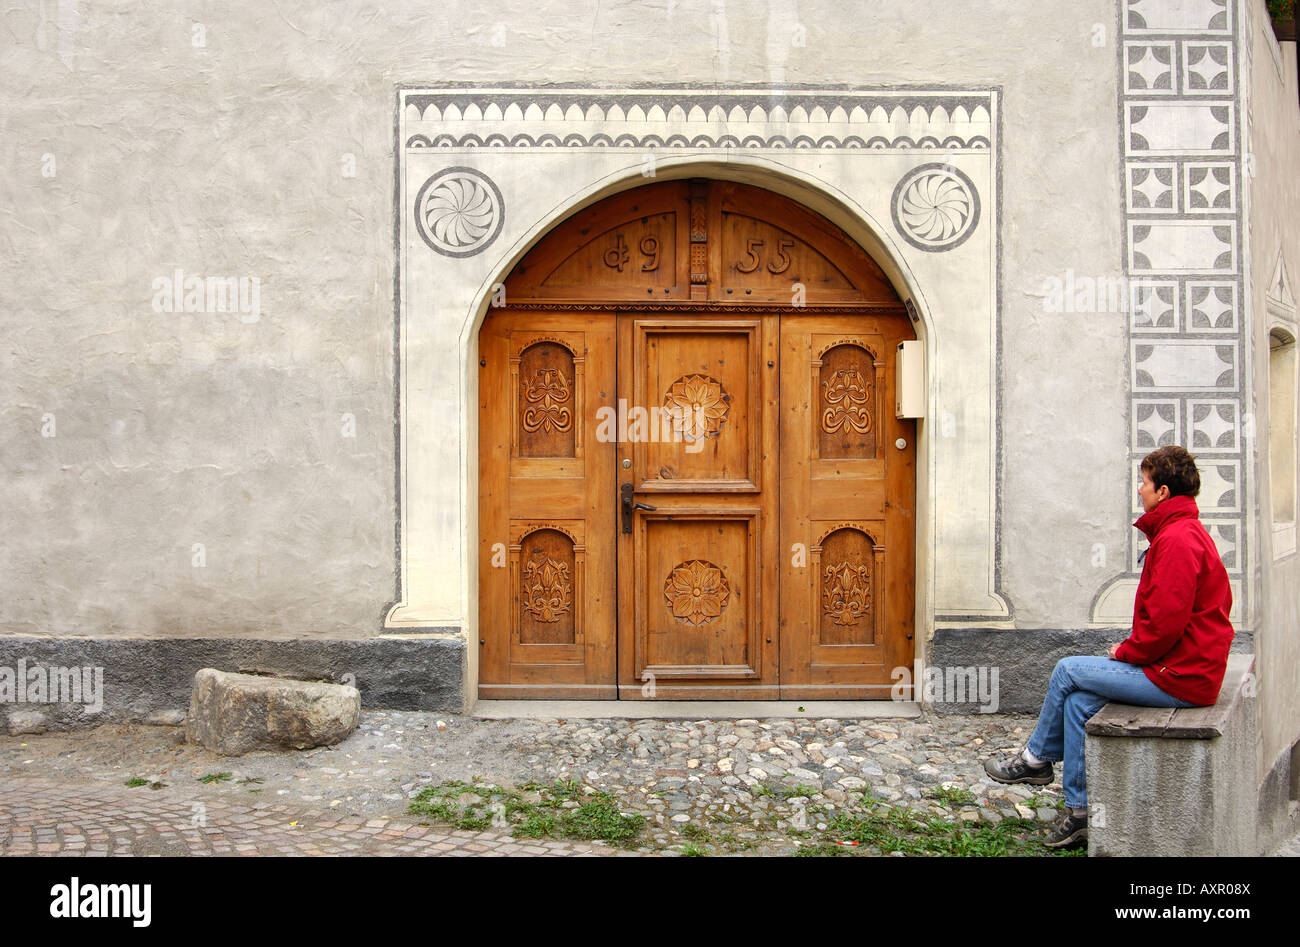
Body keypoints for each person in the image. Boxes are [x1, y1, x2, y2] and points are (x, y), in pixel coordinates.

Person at [982, 445, 1235, 848]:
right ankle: (1080, 814)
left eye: (1145, 482)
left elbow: (1165, 625)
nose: (1140, 490)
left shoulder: (1178, 541)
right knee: (1080, 703)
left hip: (1181, 678)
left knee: (1067, 669)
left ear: (1164, 492)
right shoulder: (1182, 532)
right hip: (1182, 669)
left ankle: (1033, 761)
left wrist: (1126, 653)